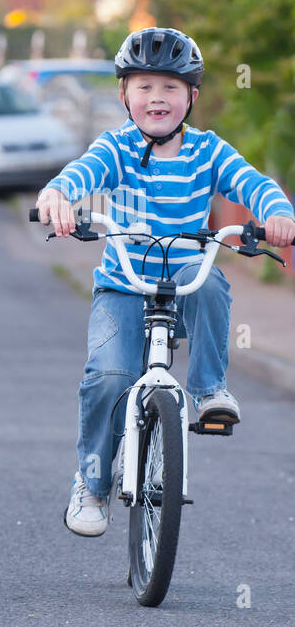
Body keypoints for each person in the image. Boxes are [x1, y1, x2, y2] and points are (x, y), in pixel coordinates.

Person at [36, 28, 295, 536]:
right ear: (124, 94)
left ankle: (209, 390)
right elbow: (78, 176)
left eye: (171, 88)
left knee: (212, 283)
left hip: (185, 278)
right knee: (108, 378)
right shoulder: (116, 147)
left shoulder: (207, 152)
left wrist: (277, 210)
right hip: (123, 285)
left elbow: (253, 184)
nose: (158, 98)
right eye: (145, 86)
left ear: (192, 97)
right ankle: (91, 483)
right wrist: (58, 198)